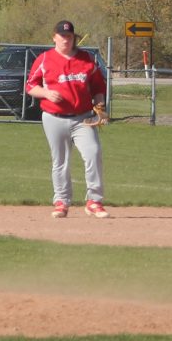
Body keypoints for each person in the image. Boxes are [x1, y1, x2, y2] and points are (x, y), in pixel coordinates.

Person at [25, 20, 110, 218]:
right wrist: (46, 93)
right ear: (54, 37)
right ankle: (62, 201)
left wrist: (100, 107)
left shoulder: (86, 59)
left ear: (74, 38)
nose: (66, 39)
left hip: (83, 118)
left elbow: (98, 87)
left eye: (69, 36)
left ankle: (94, 201)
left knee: (93, 153)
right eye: (62, 36)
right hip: (54, 118)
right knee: (60, 161)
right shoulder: (45, 59)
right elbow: (30, 86)